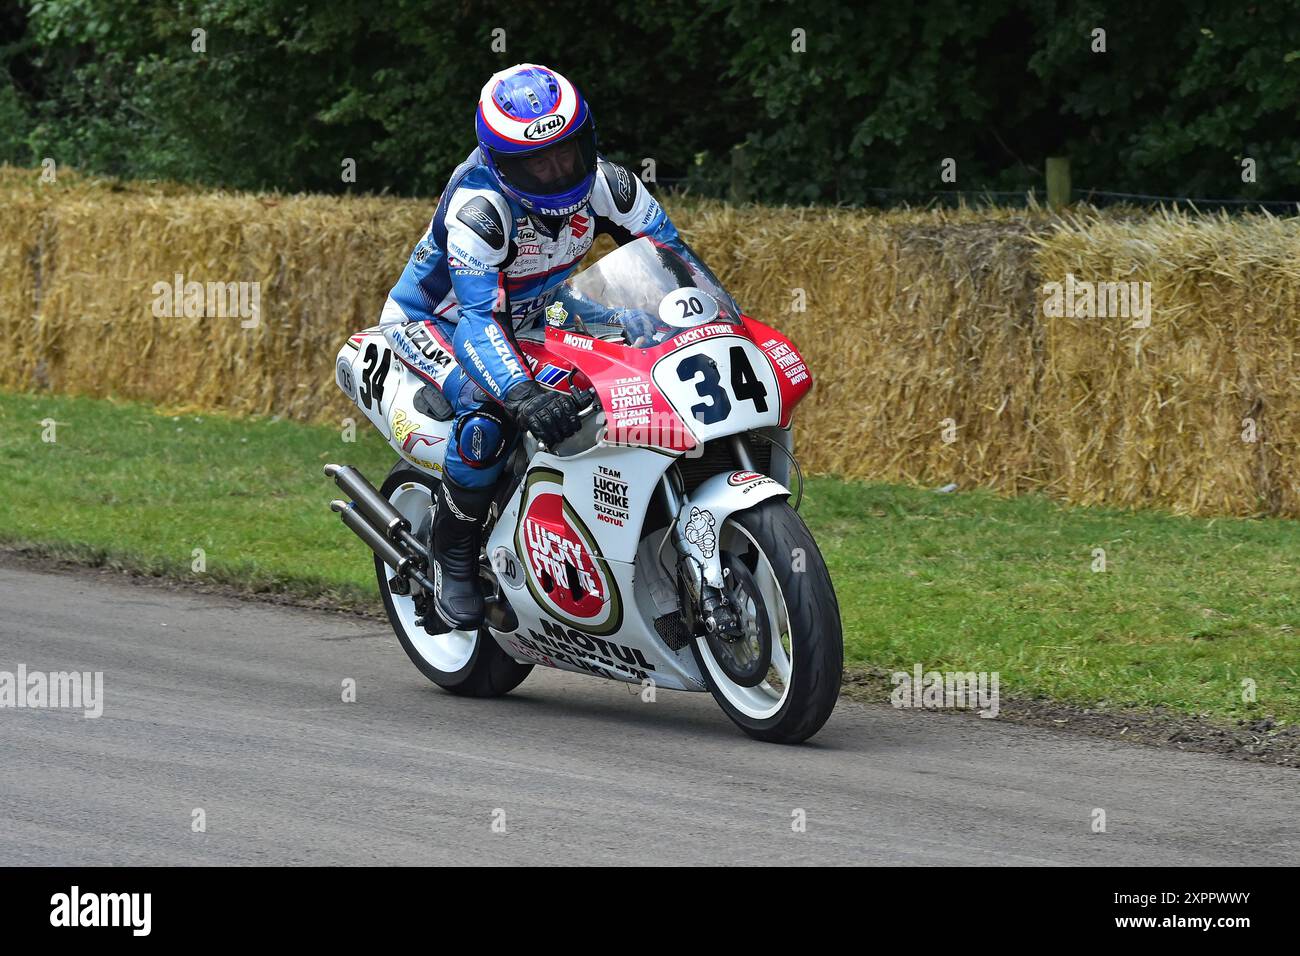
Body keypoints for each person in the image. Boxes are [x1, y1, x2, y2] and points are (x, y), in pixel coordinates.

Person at [380, 63, 689, 629]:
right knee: (488, 414)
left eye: (565, 152)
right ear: (502, 163)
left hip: (540, 311)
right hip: (439, 322)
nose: (555, 171)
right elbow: (478, 322)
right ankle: (453, 557)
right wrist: (521, 392)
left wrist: (685, 316)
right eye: (535, 161)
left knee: (634, 365)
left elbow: (672, 258)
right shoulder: (480, 208)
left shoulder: (611, 184)